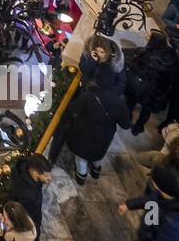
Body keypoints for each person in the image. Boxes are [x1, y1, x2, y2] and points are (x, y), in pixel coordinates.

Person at [50, 35, 126, 183]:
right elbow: (84, 69)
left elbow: (121, 83)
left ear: (108, 51)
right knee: (96, 151)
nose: (99, 54)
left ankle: (81, 175)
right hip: (99, 115)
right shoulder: (89, 55)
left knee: (82, 152)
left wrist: (106, 95)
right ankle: (92, 170)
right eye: (96, 52)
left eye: (101, 52)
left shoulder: (116, 61)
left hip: (92, 112)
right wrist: (92, 60)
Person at [125, 30, 176, 134]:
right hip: (156, 91)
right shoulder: (170, 55)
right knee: (146, 110)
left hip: (141, 86)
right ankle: (138, 127)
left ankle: (127, 117)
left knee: (131, 101)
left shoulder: (147, 55)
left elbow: (137, 69)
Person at [5, 153, 52, 231]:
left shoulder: (22, 167)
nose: (50, 178)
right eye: (46, 176)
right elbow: (28, 217)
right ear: (35, 174)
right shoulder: (30, 197)